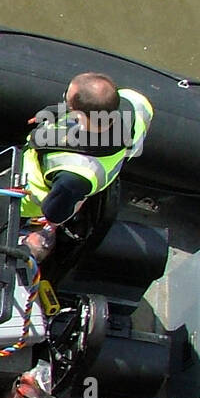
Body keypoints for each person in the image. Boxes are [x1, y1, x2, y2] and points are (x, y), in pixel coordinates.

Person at [19, 71, 153, 258]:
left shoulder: (74, 174)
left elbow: (54, 214)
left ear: (79, 115)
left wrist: (49, 224)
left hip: (27, 196)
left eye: (68, 100)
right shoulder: (135, 103)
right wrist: (55, 112)